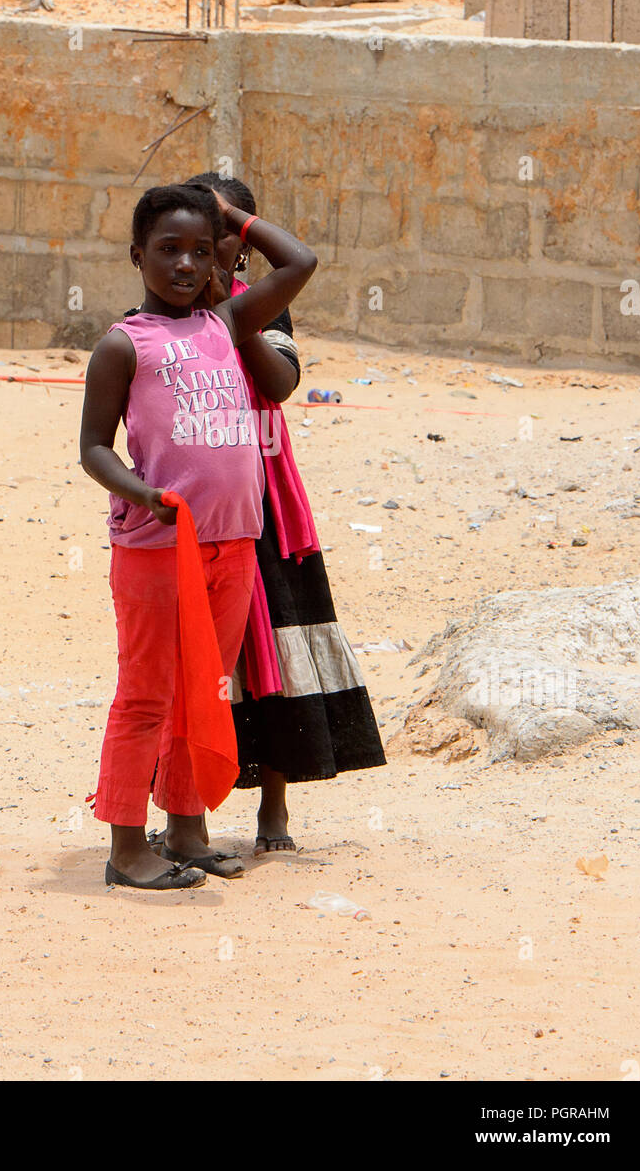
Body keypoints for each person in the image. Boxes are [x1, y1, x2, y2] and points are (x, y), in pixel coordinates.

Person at [79, 182, 317, 889]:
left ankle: (186, 828)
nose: (184, 265)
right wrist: (140, 493)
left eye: (198, 251)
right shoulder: (124, 345)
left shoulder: (225, 323)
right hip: (157, 548)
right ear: (136, 257)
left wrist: (231, 217)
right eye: (167, 250)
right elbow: (93, 448)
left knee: (203, 692)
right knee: (146, 694)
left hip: (234, 544)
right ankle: (126, 845)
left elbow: (298, 262)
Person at [185, 172, 387, 856]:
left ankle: (274, 805)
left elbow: (279, 383)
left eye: (213, 241)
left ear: (238, 247)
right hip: (196, 503)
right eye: (181, 243)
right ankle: (192, 812)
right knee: (204, 657)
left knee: (275, 649)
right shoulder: (167, 310)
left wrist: (234, 316)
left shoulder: (259, 304)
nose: (195, 260)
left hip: (265, 504)